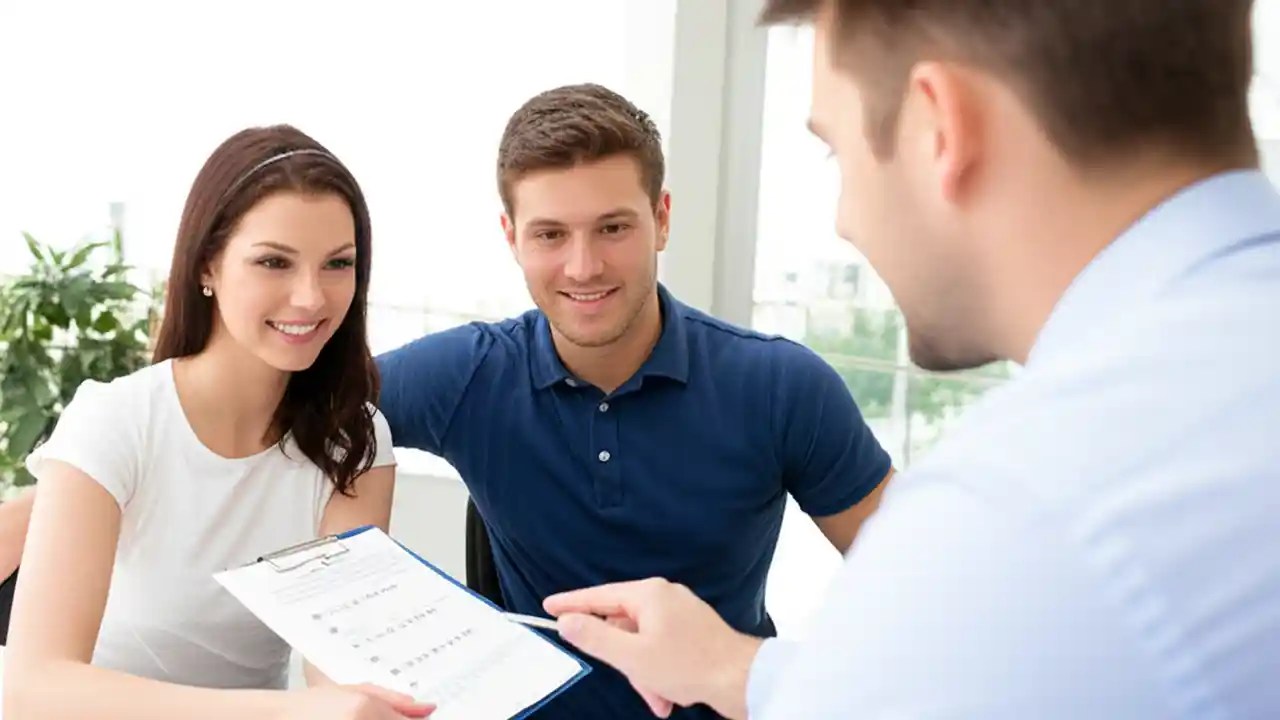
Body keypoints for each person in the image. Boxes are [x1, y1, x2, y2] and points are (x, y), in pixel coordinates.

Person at [541, 1, 1280, 718]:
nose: (844, 220)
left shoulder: (1020, 516)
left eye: (838, 148)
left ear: (937, 126)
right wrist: (737, 668)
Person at [375, 83, 895, 719]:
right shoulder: (466, 374)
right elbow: (297, 411)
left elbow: (919, 582)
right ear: (511, 237)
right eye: (550, 235)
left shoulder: (781, 386)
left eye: (613, 227)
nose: (583, 266)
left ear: (663, 218)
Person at [3, 125, 433, 720]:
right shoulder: (115, 421)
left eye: (338, 263)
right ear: (208, 265)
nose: (311, 297)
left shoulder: (352, 439)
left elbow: (338, 670)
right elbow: (34, 689)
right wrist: (290, 714)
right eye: (274, 262)